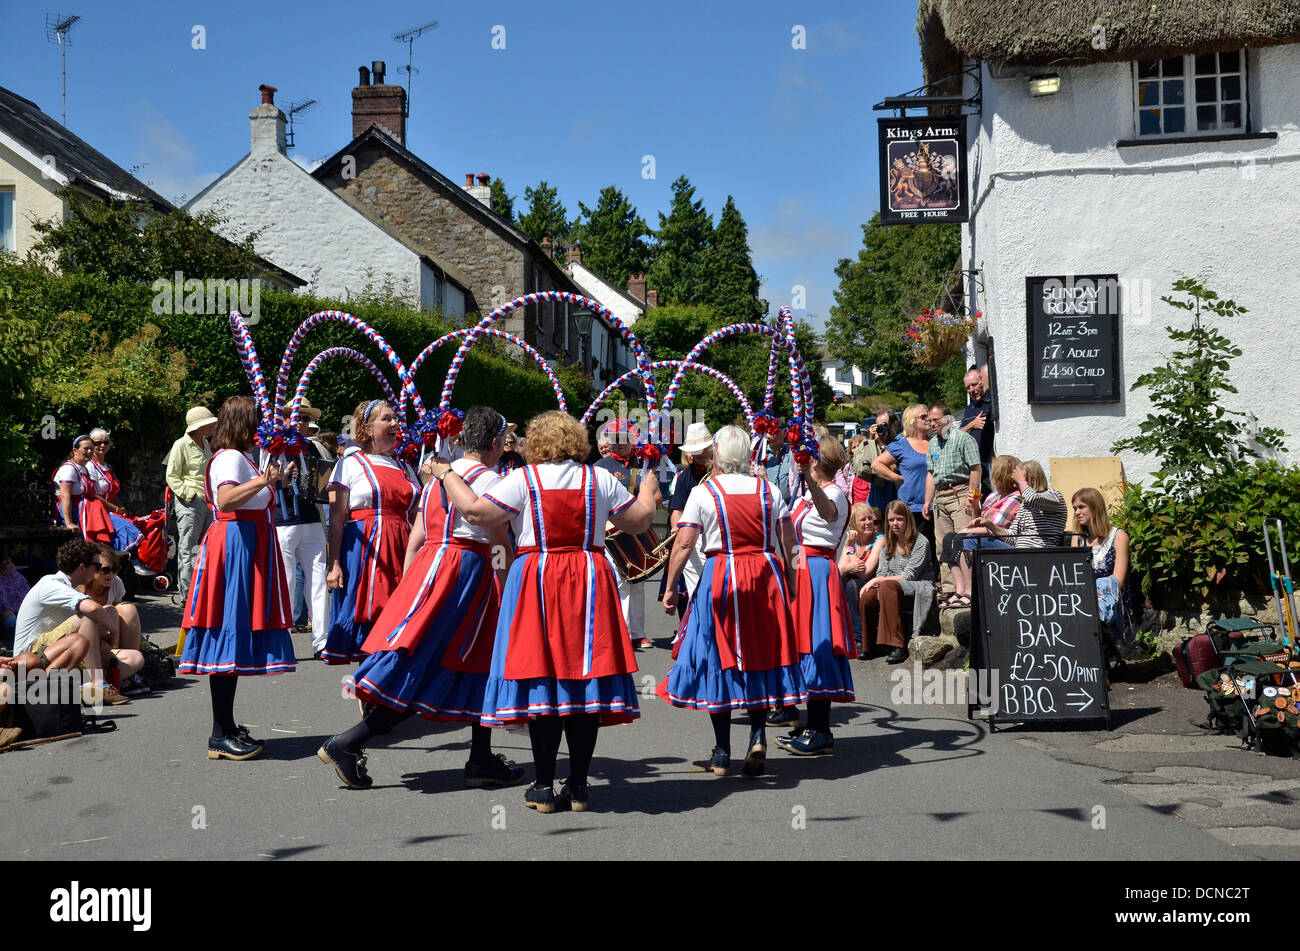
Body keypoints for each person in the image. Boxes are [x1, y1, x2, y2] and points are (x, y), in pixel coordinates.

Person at [438, 410, 659, 814]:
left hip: (536, 578)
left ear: (537, 443)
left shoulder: (522, 479)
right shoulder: (600, 478)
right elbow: (640, 521)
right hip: (588, 578)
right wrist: (649, 487)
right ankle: (577, 785)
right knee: (583, 679)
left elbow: (476, 513)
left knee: (543, 676)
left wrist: (446, 473)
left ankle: (542, 785)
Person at [319, 407, 525, 791]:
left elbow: (416, 536)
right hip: (468, 572)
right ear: (495, 443)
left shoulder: (437, 478)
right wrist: (508, 584)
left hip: (432, 568)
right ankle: (348, 741)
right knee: (462, 663)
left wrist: (411, 585)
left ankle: (480, 755)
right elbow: (498, 544)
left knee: (453, 665)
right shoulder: (492, 481)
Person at [658, 424, 805, 779]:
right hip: (765, 574)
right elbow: (790, 541)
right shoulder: (769, 489)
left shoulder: (706, 491)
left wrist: (670, 587)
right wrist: (792, 579)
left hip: (723, 572)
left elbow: (683, 543)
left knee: (716, 658)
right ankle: (757, 736)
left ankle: (722, 751)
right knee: (758, 653)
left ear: (717, 454)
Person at [180, 396, 297, 760]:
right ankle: (219, 733)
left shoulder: (241, 457)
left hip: (246, 543)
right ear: (243, 423)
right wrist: (264, 480)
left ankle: (226, 727)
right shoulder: (230, 457)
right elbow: (227, 499)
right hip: (235, 544)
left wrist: (273, 481)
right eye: (257, 422)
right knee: (228, 632)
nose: (263, 428)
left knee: (233, 633)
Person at [772, 436, 855, 756]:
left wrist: (807, 477)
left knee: (818, 646)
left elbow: (830, 512)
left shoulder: (834, 492)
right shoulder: (806, 494)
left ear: (818, 463)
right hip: (799, 570)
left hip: (818, 574)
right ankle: (809, 724)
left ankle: (820, 729)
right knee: (802, 646)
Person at [322, 399, 421, 665]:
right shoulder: (350, 464)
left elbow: (417, 516)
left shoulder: (406, 467)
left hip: (404, 549)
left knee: (402, 620)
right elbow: (337, 518)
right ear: (367, 428)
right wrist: (334, 565)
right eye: (387, 419)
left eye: (395, 419)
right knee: (373, 617)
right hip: (367, 551)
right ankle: (369, 693)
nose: (395, 424)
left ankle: (388, 693)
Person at [13, 539, 140, 706]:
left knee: (135, 657)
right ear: (82, 567)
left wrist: (102, 641)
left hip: (64, 649)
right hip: (33, 654)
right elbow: (92, 610)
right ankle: (98, 684)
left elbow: (99, 615)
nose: (98, 572)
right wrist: (114, 633)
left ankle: (81, 686)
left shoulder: (71, 588)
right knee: (86, 617)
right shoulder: (51, 584)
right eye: (97, 567)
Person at [266, 400, 330, 659]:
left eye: (304, 418)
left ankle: (322, 642)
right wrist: (282, 476)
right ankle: (284, 641)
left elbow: (326, 482)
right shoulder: (271, 447)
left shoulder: (314, 447)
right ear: (282, 418)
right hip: (283, 521)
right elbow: (263, 479)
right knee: (287, 582)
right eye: (295, 416)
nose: (300, 422)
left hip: (311, 519)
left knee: (318, 582)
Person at [595, 420, 661, 650]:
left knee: (638, 582)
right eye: (616, 438)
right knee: (621, 581)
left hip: (637, 526)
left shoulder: (642, 464)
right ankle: (622, 632)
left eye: (625, 438)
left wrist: (642, 502)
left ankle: (638, 633)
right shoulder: (600, 466)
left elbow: (657, 496)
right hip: (610, 532)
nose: (621, 443)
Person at [941, 455, 1023, 606]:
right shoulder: (993, 496)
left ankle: (970, 591)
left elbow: (992, 528)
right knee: (948, 538)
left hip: (1001, 540)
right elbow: (977, 522)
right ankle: (960, 589)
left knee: (962, 538)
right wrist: (974, 506)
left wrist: (966, 531)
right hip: (986, 536)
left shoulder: (1015, 498)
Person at [859, 500, 934, 664]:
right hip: (892, 587)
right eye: (891, 520)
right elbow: (882, 572)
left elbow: (910, 575)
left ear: (907, 519)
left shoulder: (921, 542)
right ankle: (869, 646)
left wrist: (879, 580)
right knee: (868, 595)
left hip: (919, 586)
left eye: (899, 519)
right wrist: (879, 581)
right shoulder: (888, 545)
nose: (895, 523)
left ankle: (897, 645)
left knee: (886, 585)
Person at [922, 402, 982, 598]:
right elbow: (931, 474)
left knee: (964, 543)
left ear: (948, 419)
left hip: (961, 492)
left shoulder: (963, 439)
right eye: (929, 421)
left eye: (935, 420)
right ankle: (950, 589)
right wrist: (927, 501)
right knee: (944, 546)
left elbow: (976, 469)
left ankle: (969, 589)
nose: (931, 424)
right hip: (941, 496)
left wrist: (972, 497)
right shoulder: (933, 443)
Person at [661, 421, 714, 619]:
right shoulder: (684, 476)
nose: (697, 455)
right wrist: (677, 526)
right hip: (695, 536)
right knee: (695, 590)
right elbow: (677, 508)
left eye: (701, 450)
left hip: (717, 533)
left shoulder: (721, 469)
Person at [166, 406, 217, 608]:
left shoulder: (205, 443)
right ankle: (187, 593)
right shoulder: (180, 445)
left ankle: (201, 590)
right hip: (190, 502)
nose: (213, 425)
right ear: (200, 426)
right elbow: (172, 475)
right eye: (209, 423)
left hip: (206, 502)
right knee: (188, 548)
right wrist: (189, 495)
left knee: (204, 548)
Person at [1070, 488, 1133, 642]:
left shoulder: (1119, 536)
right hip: (1084, 597)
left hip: (1110, 599)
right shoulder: (1077, 538)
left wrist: (1095, 590)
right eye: (1075, 508)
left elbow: (1118, 580)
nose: (1077, 512)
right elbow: (1073, 574)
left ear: (1095, 507)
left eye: (1081, 507)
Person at [872, 404, 931, 549]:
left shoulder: (935, 442)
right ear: (912, 421)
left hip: (934, 506)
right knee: (912, 549)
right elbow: (877, 464)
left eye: (928, 416)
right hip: (911, 507)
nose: (928, 420)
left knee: (933, 550)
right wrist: (896, 478)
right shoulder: (903, 444)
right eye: (923, 417)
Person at [838, 505, 884, 653]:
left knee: (851, 586)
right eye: (863, 519)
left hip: (873, 582)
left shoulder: (879, 540)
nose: (868, 522)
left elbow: (866, 572)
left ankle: (860, 639)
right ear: (853, 525)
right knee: (836, 583)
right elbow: (839, 570)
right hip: (855, 583)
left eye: (870, 518)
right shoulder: (853, 542)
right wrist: (849, 549)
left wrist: (850, 552)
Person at [54, 436, 113, 545]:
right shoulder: (68, 469)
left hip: (89, 512)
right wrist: (69, 523)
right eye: (86, 449)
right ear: (75, 451)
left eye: (91, 448)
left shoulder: (84, 469)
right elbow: (65, 496)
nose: (90, 451)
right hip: (75, 511)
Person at [1006, 461, 1068, 548]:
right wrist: (989, 526)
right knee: (983, 541)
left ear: (1032, 480)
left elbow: (1034, 499)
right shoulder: (1024, 504)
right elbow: (1012, 537)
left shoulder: (1054, 495)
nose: (1015, 486)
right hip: (1019, 552)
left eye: (1017, 483)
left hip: (1041, 552)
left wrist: (1021, 482)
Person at [959, 367, 996, 494]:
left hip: (990, 466)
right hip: (974, 468)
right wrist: (972, 425)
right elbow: (958, 435)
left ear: (982, 382)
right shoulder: (969, 409)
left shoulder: (992, 403)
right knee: (976, 501)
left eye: (974, 385)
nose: (972, 390)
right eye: (968, 388)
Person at [855, 411, 900, 511]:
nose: (881, 428)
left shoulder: (902, 443)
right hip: (875, 501)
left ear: (895, 424)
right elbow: (866, 465)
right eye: (878, 426)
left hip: (894, 501)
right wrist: (871, 438)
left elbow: (892, 467)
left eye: (884, 425)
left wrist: (882, 444)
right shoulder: (874, 443)